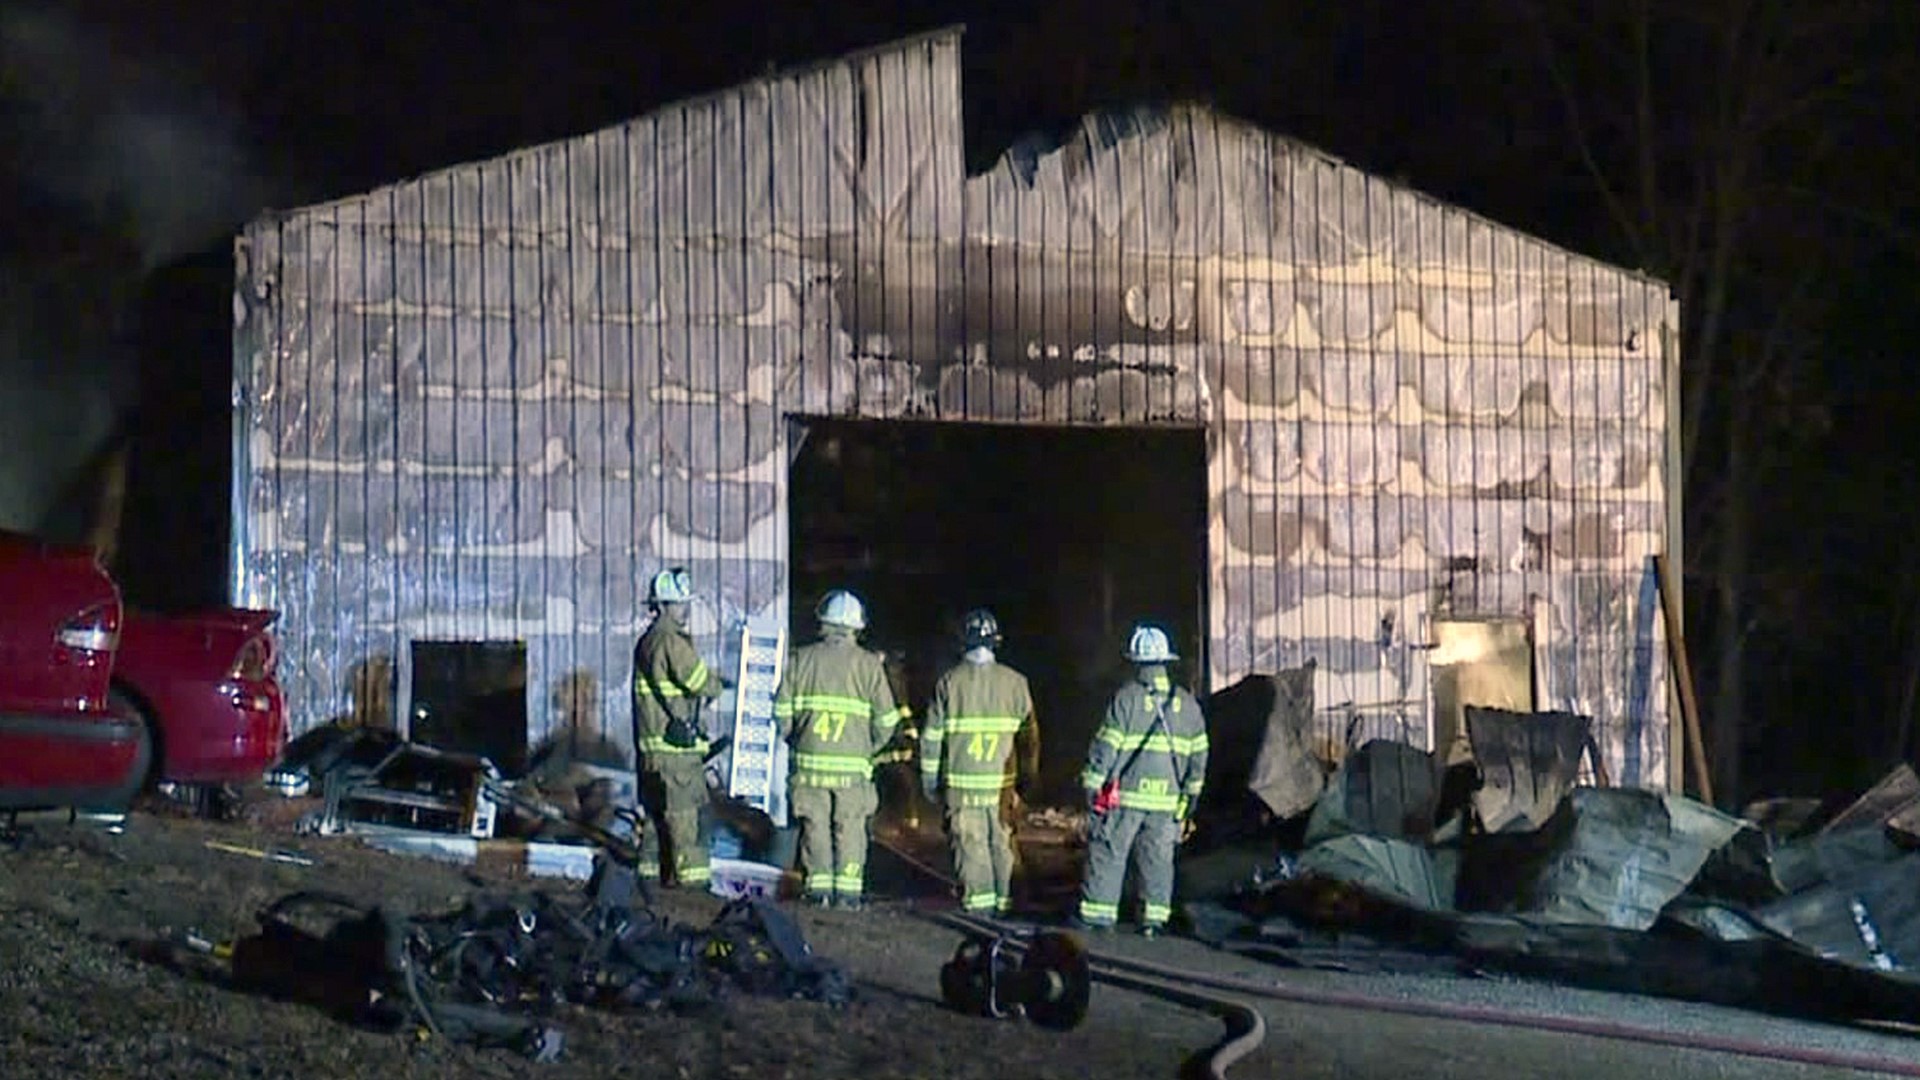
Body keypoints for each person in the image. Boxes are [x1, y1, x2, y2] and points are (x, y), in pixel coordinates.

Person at [774, 589, 908, 909]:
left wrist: (798, 740)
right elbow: (888, 720)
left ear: (824, 622)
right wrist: (868, 748)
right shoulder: (868, 665)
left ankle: (818, 891)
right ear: (856, 626)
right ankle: (848, 895)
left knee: (814, 826)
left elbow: (781, 716)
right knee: (850, 828)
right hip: (852, 769)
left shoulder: (800, 659)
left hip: (810, 766)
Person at [1074, 622, 1208, 938]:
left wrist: (1091, 787)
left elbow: (1106, 748)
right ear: (1166, 661)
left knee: (1107, 852)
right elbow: (1199, 760)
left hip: (1126, 800)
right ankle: (1153, 921)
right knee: (1158, 861)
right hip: (1166, 802)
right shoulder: (1188, 705)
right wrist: (1188, 803)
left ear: (1135, 661)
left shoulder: (1127, 699)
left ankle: (1098, 917)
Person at [920, 608, 1038, 916]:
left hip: (962, 788)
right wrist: (1026, 782)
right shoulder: (1017, 683)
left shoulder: (948, 683)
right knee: (1002, 844)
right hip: (1003, 788)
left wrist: (931, 784)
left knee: (971, 846)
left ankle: (979, 914)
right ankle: (1005, 907)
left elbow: (931, 740)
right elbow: (1030, 740)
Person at [631, 566, 722, 888]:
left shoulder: (648, 641)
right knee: (687, 818)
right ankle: (692, 887)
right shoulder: (670, 640)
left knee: (657, 820)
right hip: (675, 755)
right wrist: (718, 684)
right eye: (681, 603)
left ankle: (649, 880)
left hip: (653, 752)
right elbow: (697, 680)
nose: (686, 609)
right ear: (664, 605)